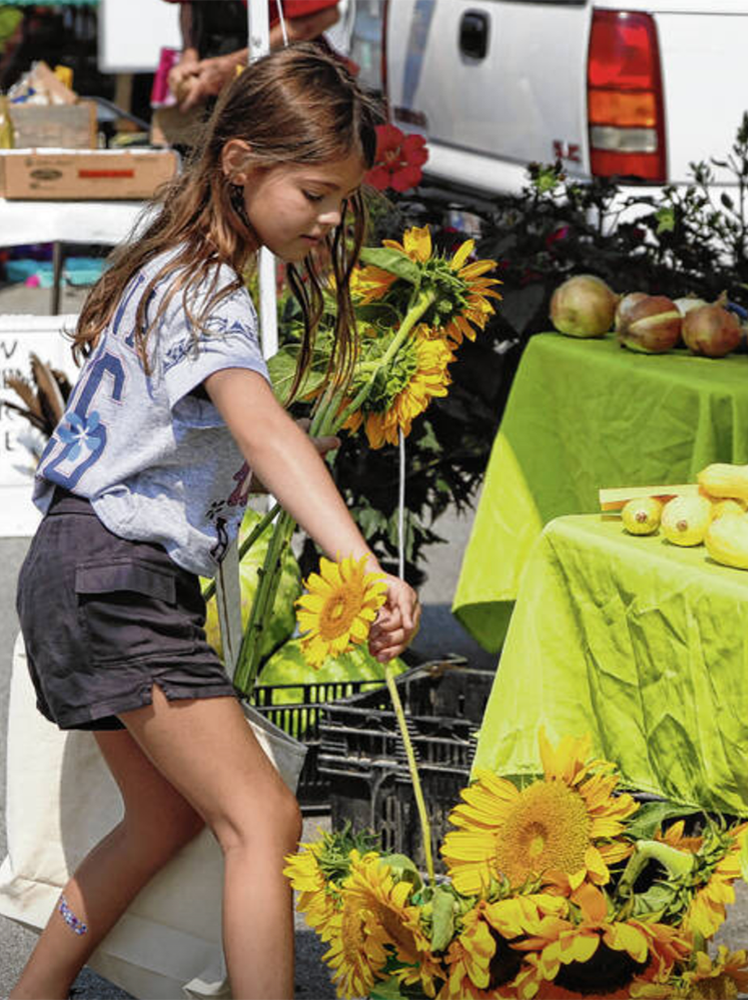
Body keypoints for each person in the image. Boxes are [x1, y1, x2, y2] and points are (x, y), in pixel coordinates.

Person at [10, 43, 417, 1000]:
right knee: (265, 819)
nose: (329, 219)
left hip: (80, 566)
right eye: (316, 193)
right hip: (115, 572)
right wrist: (361, 568)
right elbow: (265, 431)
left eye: (342, 201)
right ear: (239, 165)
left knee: (167, 819)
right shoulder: (208, 290)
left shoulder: (175, 257)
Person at [165, 0, 342, 113]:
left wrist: (234, 64)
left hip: (289, 85)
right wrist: (189, 54)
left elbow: (323, 16)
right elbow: (187, 5)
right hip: (217, 90)